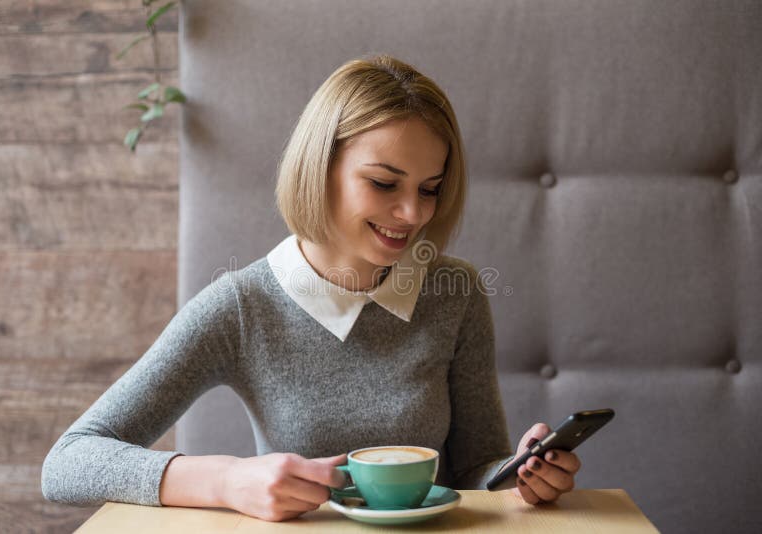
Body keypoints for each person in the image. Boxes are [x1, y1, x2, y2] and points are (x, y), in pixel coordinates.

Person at [41, 54, 581, 522]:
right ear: (319, 168)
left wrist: (521, 475)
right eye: (384, 183)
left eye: (430, 189)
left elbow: (472, 470)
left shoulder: (454, 292)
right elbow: (69, 462)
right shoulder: (243, 305)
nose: (413, 213)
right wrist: (229, 480)